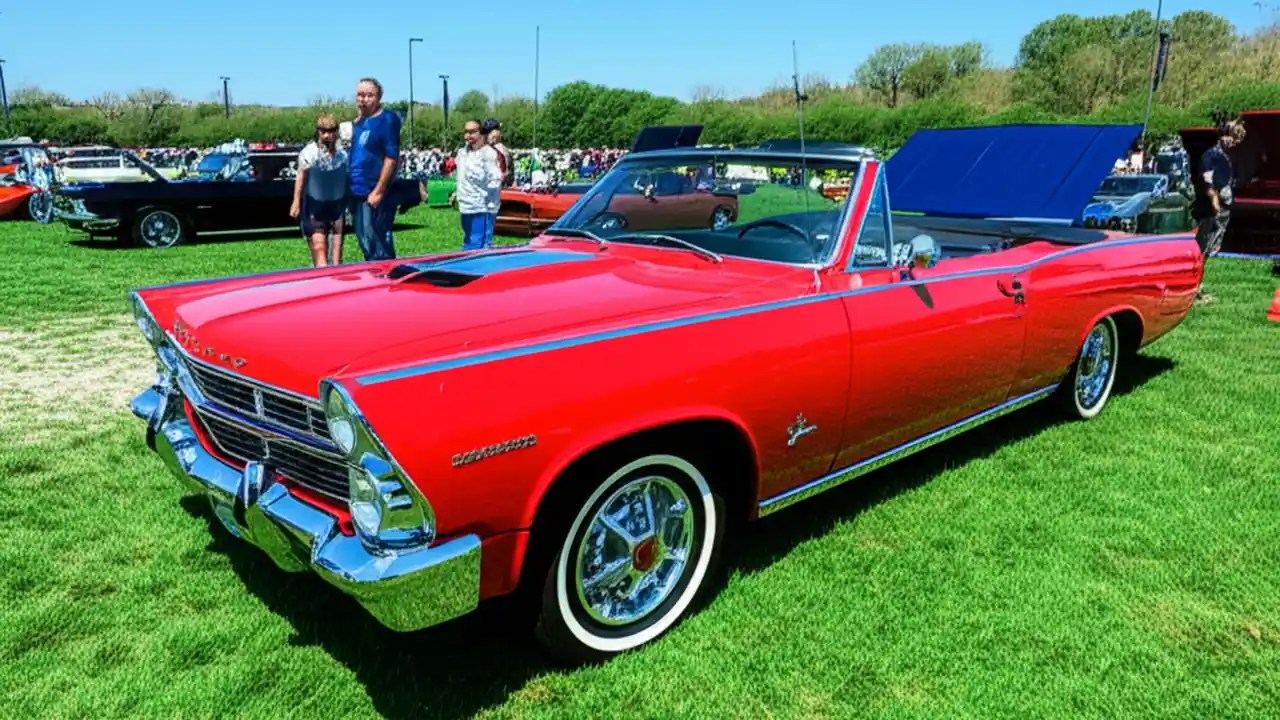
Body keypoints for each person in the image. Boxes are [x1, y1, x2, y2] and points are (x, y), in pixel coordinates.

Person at [348, 77, 402, 261]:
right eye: (360, 95)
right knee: (364, 239)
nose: (363, 99)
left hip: (376, 192)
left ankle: (386, 278)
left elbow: (391, 158)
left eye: (369, 95)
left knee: (378, 241)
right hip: (357, 191)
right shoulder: (359, 123)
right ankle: (373, 275)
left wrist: (379, 190)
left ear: (378, 98)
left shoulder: (387, 120)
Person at [1194, 119, 1247, 305]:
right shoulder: (1212, 155)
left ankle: (1197, 287)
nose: (1231, 142)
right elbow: (1208, 183)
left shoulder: (1224, 157)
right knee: (1202, 250)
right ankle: (1194, 290)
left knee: (1208, 250)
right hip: (1211, 211)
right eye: (1230, 137)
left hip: (1223, 210)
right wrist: (1215, 204)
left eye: (1235, 140)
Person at [290, 114, 349, 267]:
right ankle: (322, 278)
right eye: (324, 132)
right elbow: (301, 177)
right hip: (314, 205)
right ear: (318, 132)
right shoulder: (309, 153)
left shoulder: (343, 155)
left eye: (331, 131)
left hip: (337, 205)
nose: (327, 135)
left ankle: (336, 278)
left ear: (336, 132)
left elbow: (347, 179)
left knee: (337, 257)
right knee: (319, 248)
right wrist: (296, 202)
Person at [454, 119, 502, 250]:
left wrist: (487, 200)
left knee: (478, 247)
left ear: (481, 133)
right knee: (469, 240)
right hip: (465, 206)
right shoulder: (462, 153)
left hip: (481, 209)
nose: (467, 136)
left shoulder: (488, 154)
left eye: (471, 132)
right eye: (466, 132)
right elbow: (462, 176)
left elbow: (496, 179)